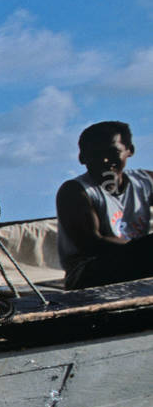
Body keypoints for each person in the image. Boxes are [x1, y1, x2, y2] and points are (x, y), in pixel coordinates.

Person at [56, 121, 153, 290]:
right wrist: (142, 247)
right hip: (88, 273)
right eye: (95, 154)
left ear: (130, 150)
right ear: (82, 158)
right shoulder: (75, 191)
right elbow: (93, 244)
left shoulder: (145, 181)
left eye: (113, 152)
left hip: (139, 260)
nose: (105, 160)